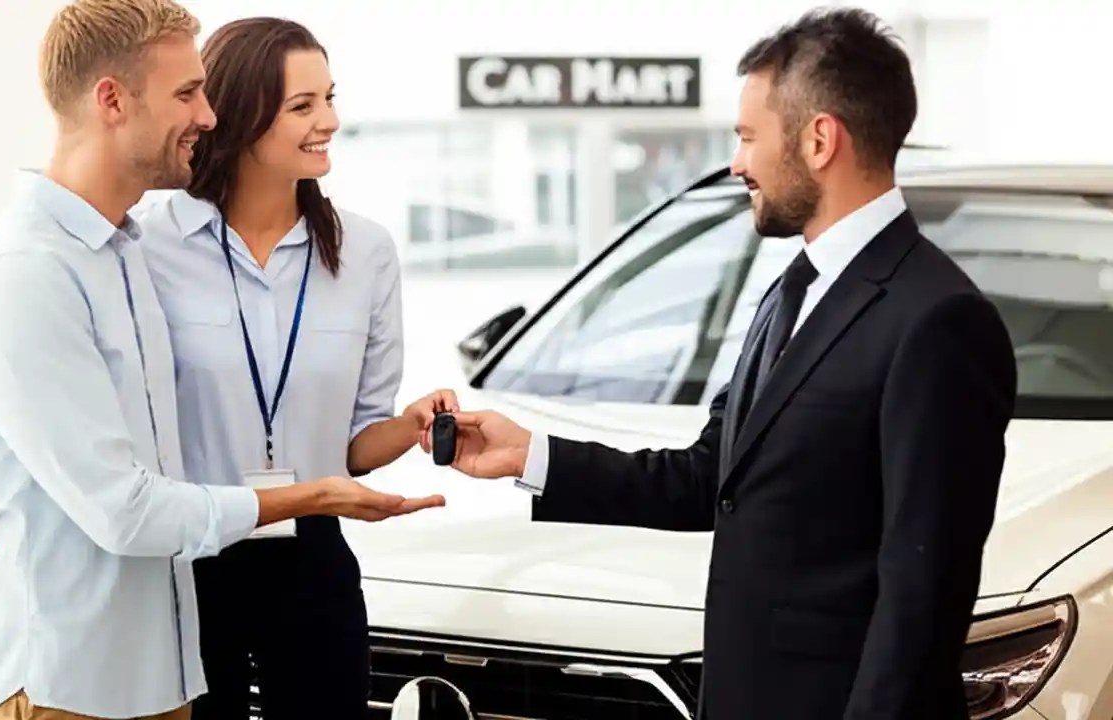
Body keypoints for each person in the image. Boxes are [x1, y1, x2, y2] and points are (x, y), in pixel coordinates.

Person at [425, 8, 1017, 720]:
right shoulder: (791, 291)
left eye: (747, 137)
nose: (738, 162)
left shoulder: (938, 320)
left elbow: (923, 594)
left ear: (820, 139)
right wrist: (532, 454)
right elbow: (713, 479)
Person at [0, 14, 457, 720]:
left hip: (290, 567)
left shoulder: (359, 253)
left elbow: (347, 441)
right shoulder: (129, 248)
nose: (331, 121)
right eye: (303, 105)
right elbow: (85, 456)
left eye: (330, 98)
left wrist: (402, 429)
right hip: (182, 569)